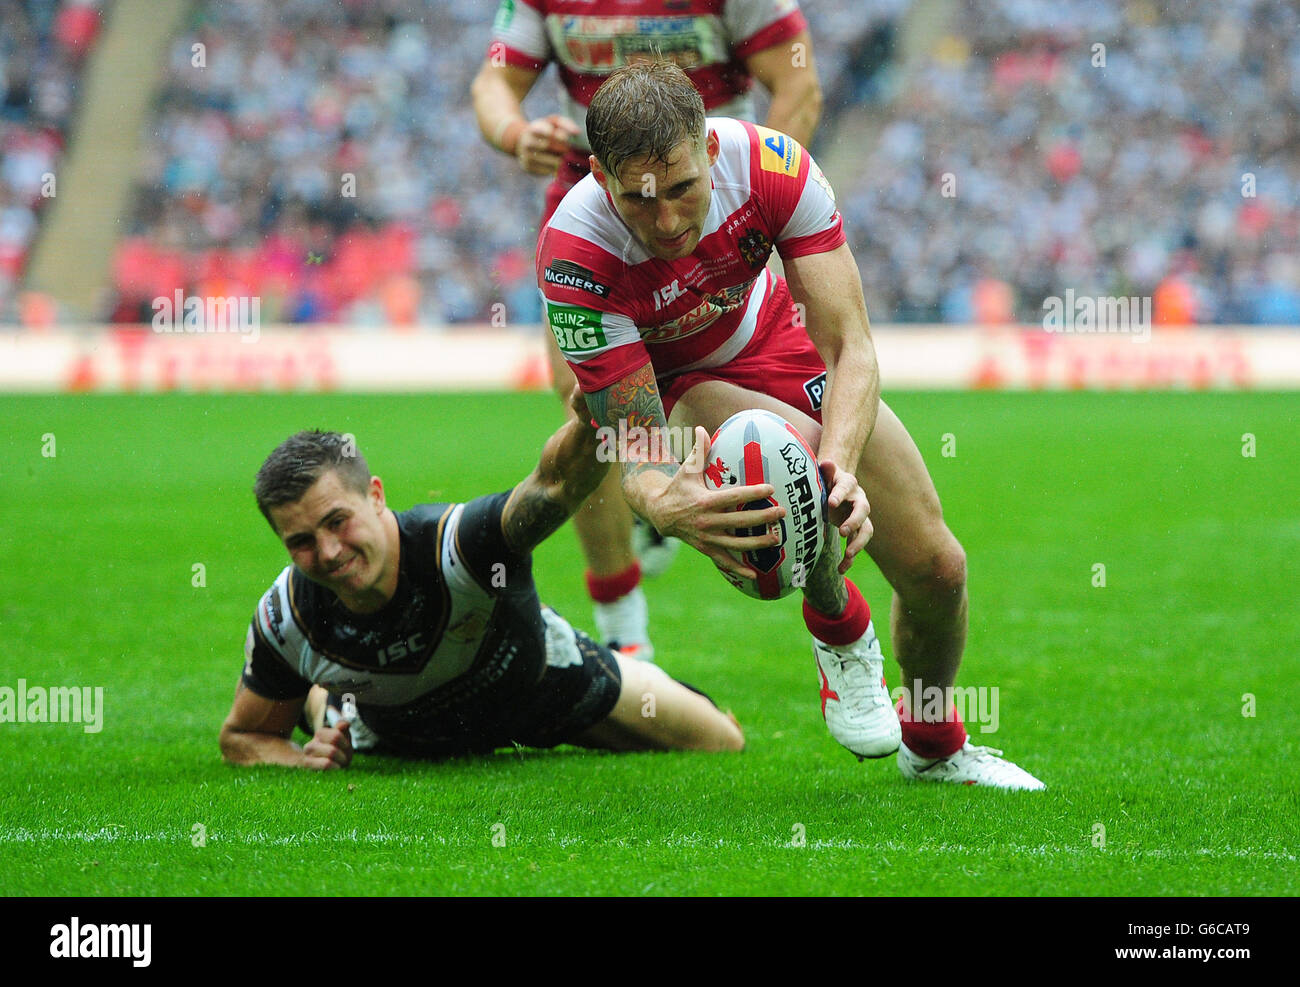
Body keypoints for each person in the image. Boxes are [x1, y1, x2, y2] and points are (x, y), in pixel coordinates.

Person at [536, 60, 1044, 789]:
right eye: (639, 201)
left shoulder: (774, 168)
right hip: (674, 385)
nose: (669, 221)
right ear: (599, 175)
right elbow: (636, 442)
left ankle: (933, 745)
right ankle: (839, 626)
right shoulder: (576, 254)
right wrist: (658, 502)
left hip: (781, 340)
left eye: (682, 190)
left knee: (939, 569)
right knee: (787, 456)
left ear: (710, 150)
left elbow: (850, 347)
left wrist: (839, 464)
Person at [471, 0, 823, 664]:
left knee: (724, 388)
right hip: (605, 209)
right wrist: (514, 133)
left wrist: (759, 202)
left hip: (715, 199)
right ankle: (623, 630)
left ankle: (821, 600)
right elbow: (493, 81)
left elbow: (799, 81)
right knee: (592, 411)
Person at [218, 393, 745, 770]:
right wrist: (299, 760)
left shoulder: (459, 545)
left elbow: (554, 487)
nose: (328, 552)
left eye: (337, 521)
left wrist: (597, 417)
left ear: (376, 496)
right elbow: (243, 736)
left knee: (720, 741)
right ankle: (328, 701)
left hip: (543, 688)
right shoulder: (287, 618)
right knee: (336, 706)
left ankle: (326, 697)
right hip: (388, 731)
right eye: (302, 542)